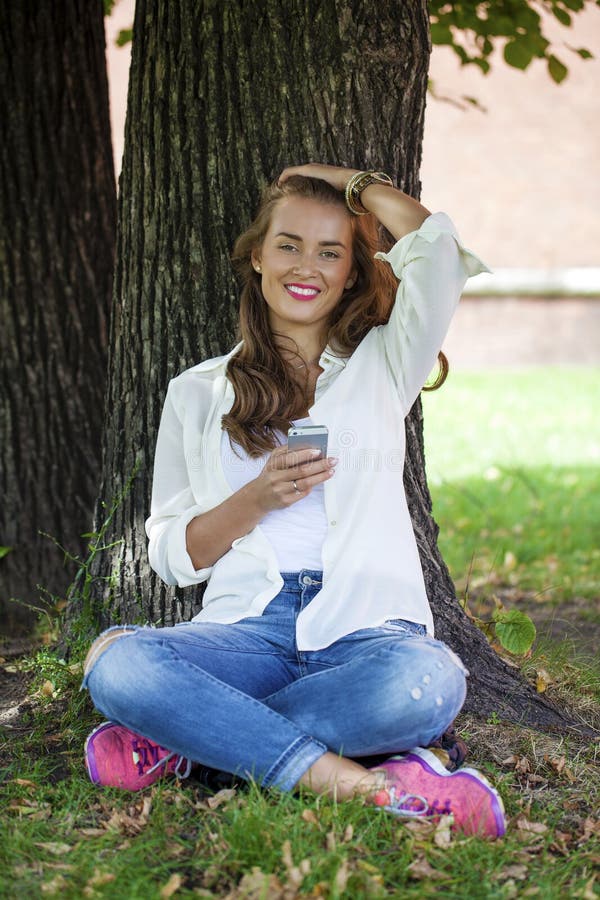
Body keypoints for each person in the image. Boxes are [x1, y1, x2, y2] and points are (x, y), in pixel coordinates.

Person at [81, 164, 505, 839]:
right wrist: (255, 499)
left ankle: (190, 741)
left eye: (330, 251)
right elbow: (172, 555)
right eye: (289, 244)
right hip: (249, 629)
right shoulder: (197, 391)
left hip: (367, 627)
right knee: (118, 661)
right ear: (257, 256)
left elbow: (440, 253)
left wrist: (354, 185)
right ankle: (367, 786)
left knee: (428, 682)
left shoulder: (384, 362)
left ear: (350, 273)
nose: (306, 265)